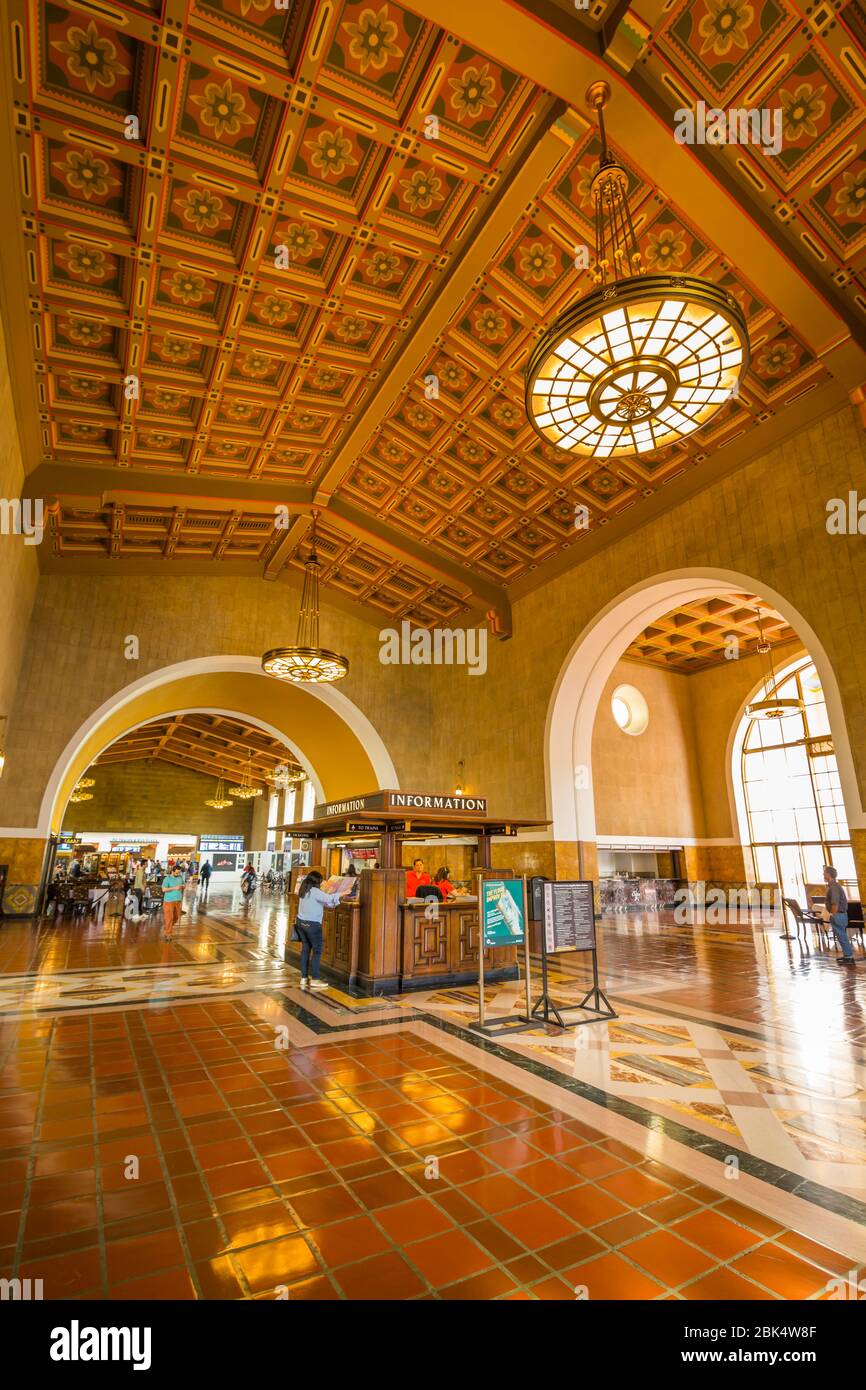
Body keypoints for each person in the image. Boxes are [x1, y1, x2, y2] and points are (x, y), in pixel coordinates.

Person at [294, 870, 351, 991]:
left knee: (305, 950)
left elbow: (327, 902)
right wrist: (344, 892)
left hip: (301, 923)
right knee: (317, 951)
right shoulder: (315, 891)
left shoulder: (304, 890)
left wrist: (336, 900)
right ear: (317, 881)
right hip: (312, 925)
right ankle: (314, 979)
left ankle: (304, 978)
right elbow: (329, 898)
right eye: (321, 881)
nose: (321, 883)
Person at [824, 865, 855, 965]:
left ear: (828, 874)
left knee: (842, 936)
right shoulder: (833, 886)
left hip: (838, 915)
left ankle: (849, 957)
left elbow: (835, 903)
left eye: (824, 873)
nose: (823, 874)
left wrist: (832, 915)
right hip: (839, 915)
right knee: (841, 936)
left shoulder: (834, 887)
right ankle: (847, 955)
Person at [161, 861, 185, 940]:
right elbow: (164, 889)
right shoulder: (167, 879)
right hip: (169, 901)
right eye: (177, 873)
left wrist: (183, 886)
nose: (178, 874)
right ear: (172, 871)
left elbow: (183, 884)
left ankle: (167, 927)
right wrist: (174, 888)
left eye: (179, 873)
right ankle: (168, 934)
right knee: (169, 918)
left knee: (176, 917)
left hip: (178, 901)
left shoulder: (180, 877)